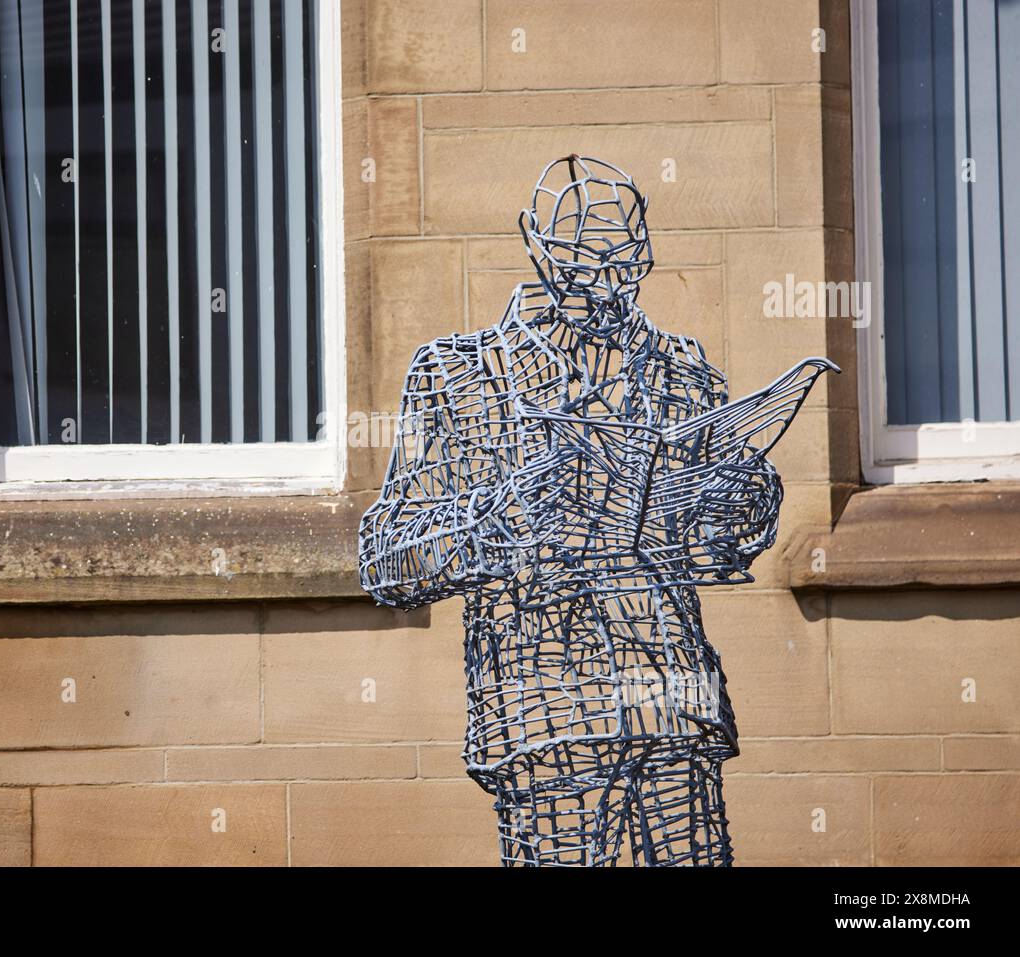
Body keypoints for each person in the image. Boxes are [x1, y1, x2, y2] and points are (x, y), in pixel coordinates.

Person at [358, 155, 837, 866]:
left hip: (675, 704)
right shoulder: (458, 374)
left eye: (628, 264)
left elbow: (712, 544)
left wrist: (743, 507)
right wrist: (493, 521)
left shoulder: (682, 368)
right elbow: (386, 557)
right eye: (587, 268)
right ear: (537, 247)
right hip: (544, 710)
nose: (612, 289)